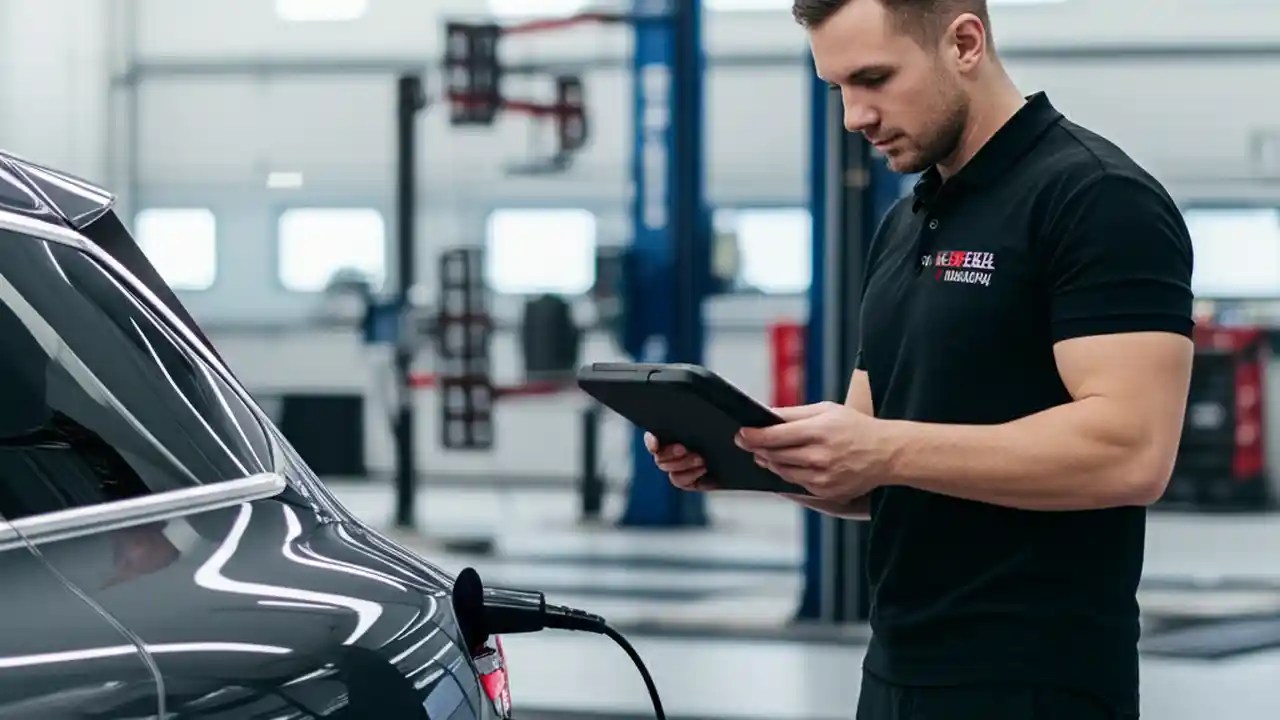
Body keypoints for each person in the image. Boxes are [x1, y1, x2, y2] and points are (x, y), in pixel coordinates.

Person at [646, 1, 1195, 718]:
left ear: (965, 42)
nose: (854, 116)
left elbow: (1132, 453)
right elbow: (873, 472)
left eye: (874, 78)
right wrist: (753, 452)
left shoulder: (1096, 198)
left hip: (1036, 684)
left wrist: (881, 448)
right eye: (838, 87)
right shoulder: (906, 225)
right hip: (895, 674)